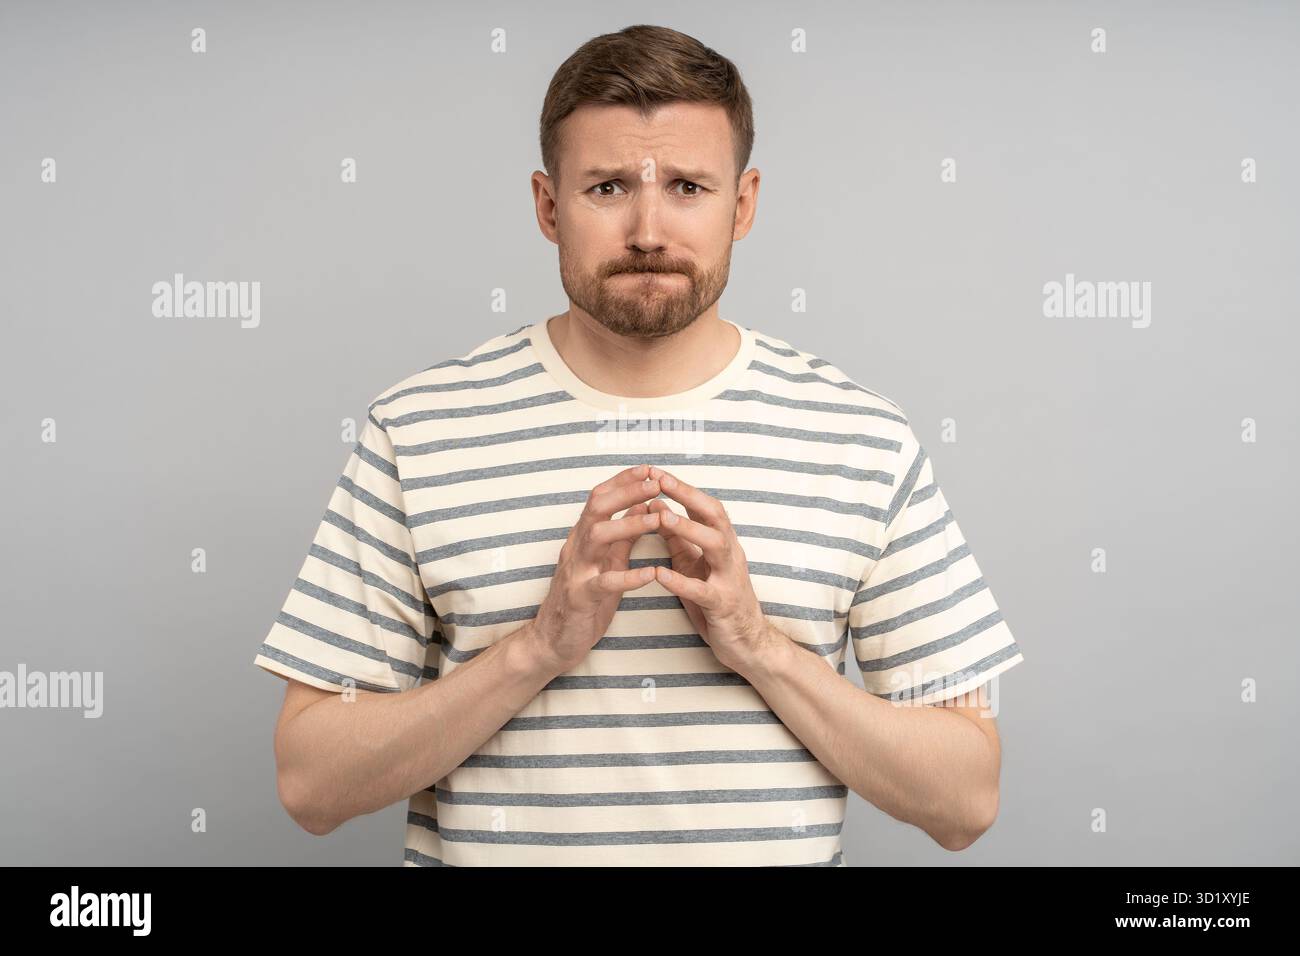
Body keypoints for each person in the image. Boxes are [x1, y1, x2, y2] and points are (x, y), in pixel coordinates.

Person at [253, 24, 1024, 866]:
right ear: (549, 206)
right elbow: (313, 785)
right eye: (609, 187)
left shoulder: (862, 439)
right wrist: (538, 648)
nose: (649, 230)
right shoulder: (417, 429)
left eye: (688, 186)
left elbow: (964, 800)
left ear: (744, 204)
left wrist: (760, 647)